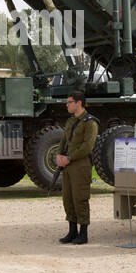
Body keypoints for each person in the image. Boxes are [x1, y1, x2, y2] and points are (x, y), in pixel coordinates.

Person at [55, 90, 98, 245]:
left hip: (80, 165)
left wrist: (70, 158)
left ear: (78, 103)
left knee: (80, 198)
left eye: (69, 102)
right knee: (68, 198)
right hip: (67, 165)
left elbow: (88, 146)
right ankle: (72, 231)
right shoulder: (71, 121)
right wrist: (59, 156)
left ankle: (83, 233)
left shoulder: (90, 122)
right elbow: (64, 140)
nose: (67, 105)